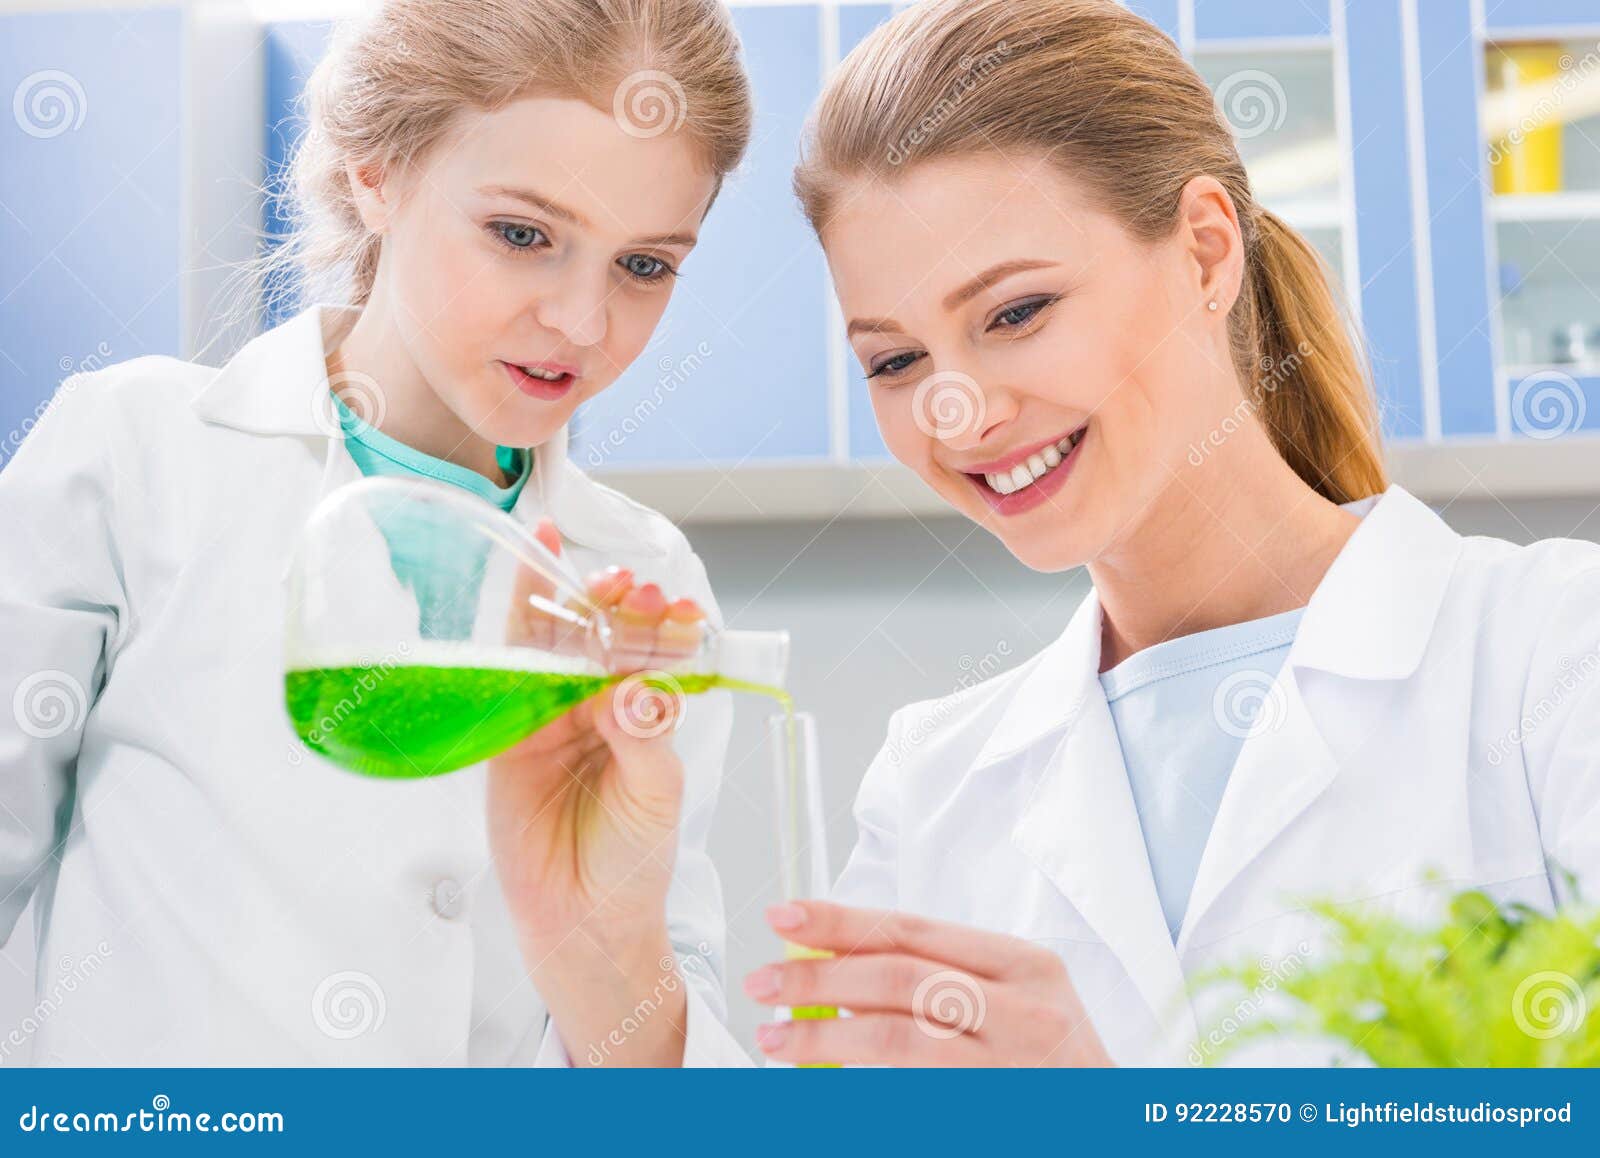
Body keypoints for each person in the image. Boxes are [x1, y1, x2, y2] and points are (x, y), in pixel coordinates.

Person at [741, 0, 1600, 1066]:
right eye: (894, 362)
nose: (955, 410)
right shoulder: (931, 787)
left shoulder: (1554, 653)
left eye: (1015, 314)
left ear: (1203, 251)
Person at [0, 0, 754, 1066]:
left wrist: (603, 957)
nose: (584, 324)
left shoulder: (641, 579)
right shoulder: (136, 459)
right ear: (377, 172)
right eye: (522, 235)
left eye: (645, 265)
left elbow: (663, 1052)